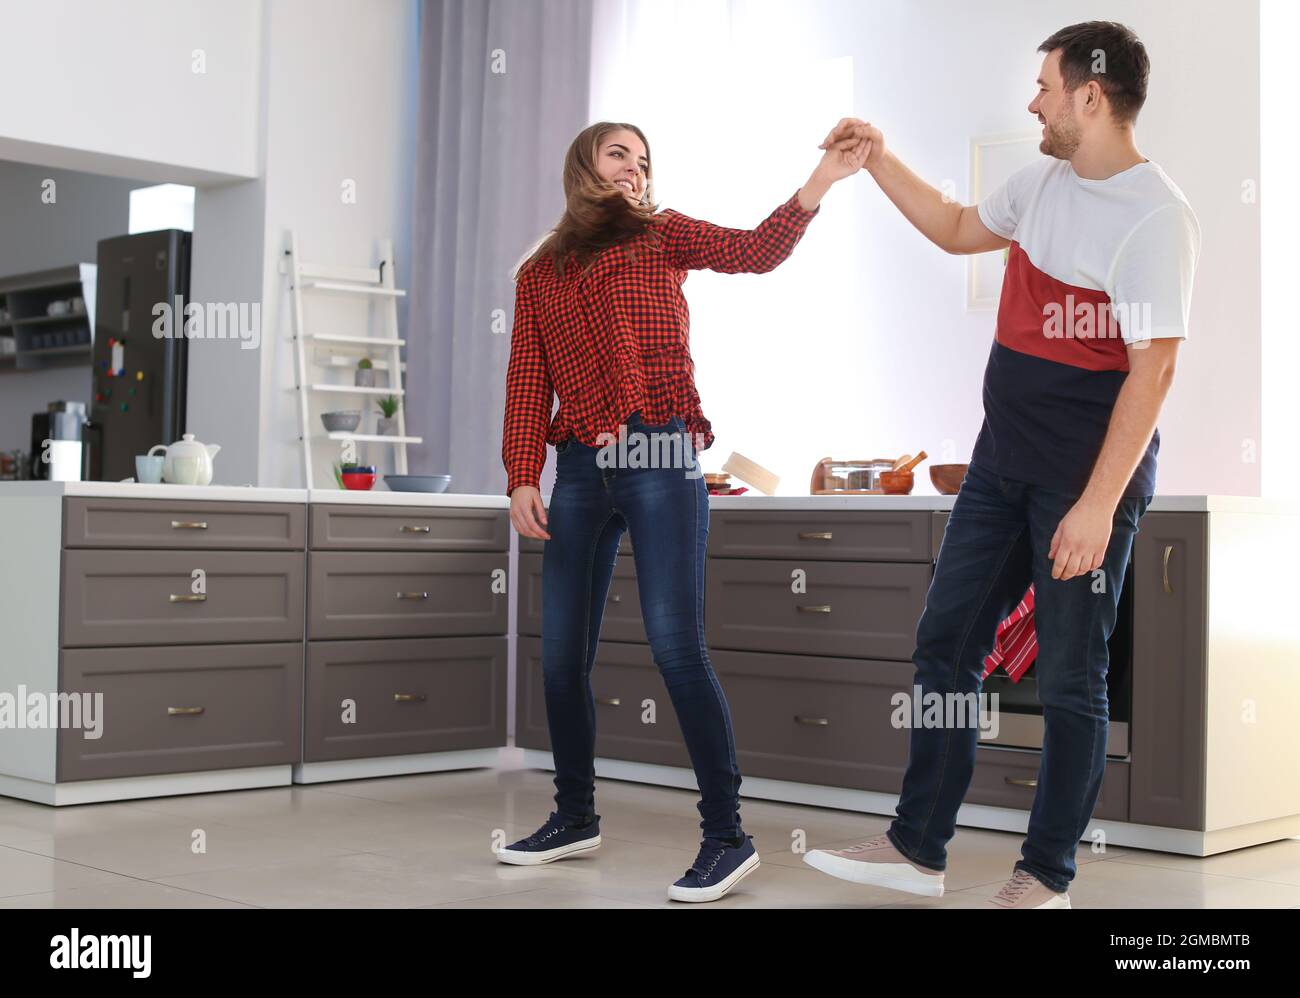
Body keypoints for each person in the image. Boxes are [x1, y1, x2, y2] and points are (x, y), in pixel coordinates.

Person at [804, 21, 1200, 908]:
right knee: (946, 643)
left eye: (1046, 87)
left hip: (1083, 482)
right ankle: (918, 848)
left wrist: (1098, 507)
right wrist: (878, 160)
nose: (1034, 102)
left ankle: (1045, 874)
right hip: (998, 468)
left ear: (1090, 96)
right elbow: (951, 228)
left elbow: (1156, 367)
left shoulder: (1156, 215)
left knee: (1069, 678)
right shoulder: (1041, 184)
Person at [497, 119, 868, 902]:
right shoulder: (542, 272)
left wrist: (821, 180)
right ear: (583, 167)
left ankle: (727, 839)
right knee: (560, 657)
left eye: (643, 158)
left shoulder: (661, 234)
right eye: (617, 154)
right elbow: (528, 376)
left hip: (661, 450)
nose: (634, 168)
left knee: (676, 648)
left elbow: (754, 251)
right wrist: (521, 472)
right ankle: (574, 816)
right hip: (579, 469)